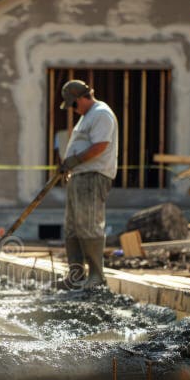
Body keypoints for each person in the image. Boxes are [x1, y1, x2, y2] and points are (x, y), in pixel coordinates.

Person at [56, 80, 119, 290]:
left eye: (74, 105)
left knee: (90, 224)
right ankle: (76, 275)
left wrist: (75, 160)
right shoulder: (86, 117)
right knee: (73, 227)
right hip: (80, 176)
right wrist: (69, 164)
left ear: (82, 98)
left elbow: (101, 145)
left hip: (93, 176)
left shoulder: (101, 113)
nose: (74, 110)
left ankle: (96, 276)